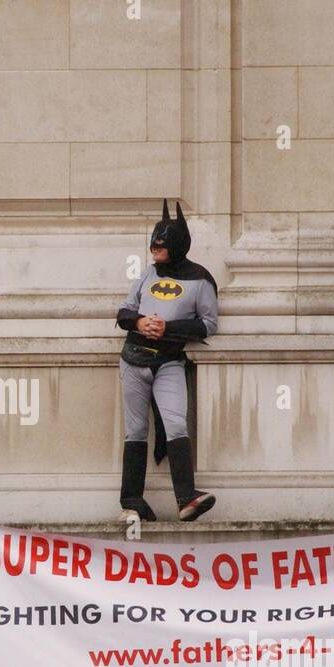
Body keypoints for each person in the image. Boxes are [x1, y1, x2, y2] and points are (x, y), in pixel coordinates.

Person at [115, 200, 219, 522]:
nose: (154, 250)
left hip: (170, 362)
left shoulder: (201, 280)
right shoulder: (147, 273)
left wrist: (167, 329)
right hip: (133, 361)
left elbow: (208, 324)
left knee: (175, 423)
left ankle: (186, 498)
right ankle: (131, 500)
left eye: (160, 245)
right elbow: (123, 312)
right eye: (153, 244)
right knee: (135, 430)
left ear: (176, 245)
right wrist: (139, 322)